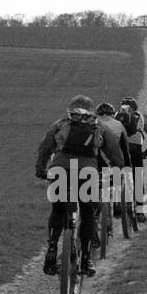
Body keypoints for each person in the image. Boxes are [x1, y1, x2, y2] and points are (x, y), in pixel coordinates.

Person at [35, 96, 103, 277]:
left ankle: (51, 249)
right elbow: (114, 151)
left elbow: (45, 147)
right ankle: (86, 259)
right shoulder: (97, 125)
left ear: (70, 109)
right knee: (88, 211)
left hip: (60, 169)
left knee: (57, 209)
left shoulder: (59, 124)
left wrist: (40, 169)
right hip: (87, 173)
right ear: (91, 109)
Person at [116, 96, 147, 223]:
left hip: (119, 149)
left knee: (115, 174)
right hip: (135, 149)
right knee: (138, 177)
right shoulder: (141, 117)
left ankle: (115, 205)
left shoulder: (115, 116)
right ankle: (140, 211)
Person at [94, 102, 131, 222]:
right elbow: (125, 147)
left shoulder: (92, 125)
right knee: (117, 178)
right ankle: (116, 202)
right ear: (112, 113)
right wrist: (127, 165)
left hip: (95, 160)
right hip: (113, 159)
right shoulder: (118, 124)